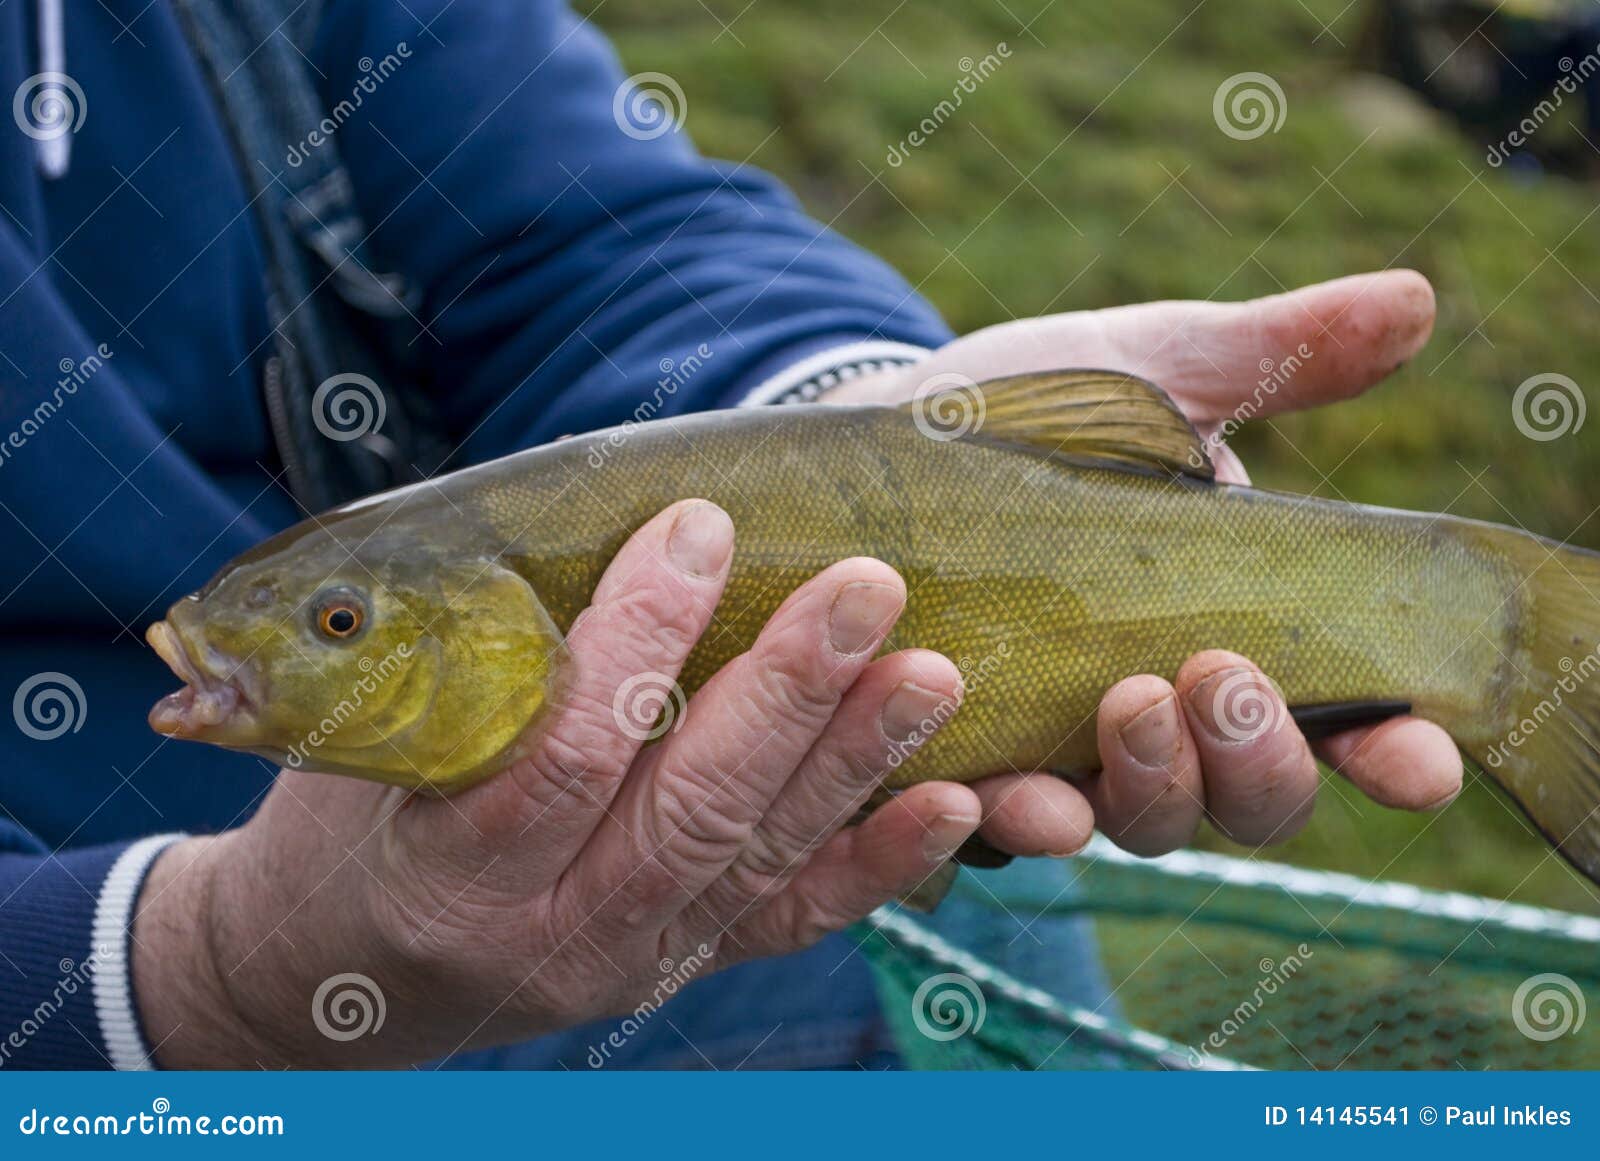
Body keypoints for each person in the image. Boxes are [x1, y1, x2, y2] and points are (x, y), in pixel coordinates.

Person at [0, 0, 1460, 1069]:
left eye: (332, 627)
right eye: (336, 629)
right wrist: (199, 977)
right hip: (103, 1015)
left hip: (688, 884)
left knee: (982, 898)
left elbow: (579, 224)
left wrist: (854, 419)